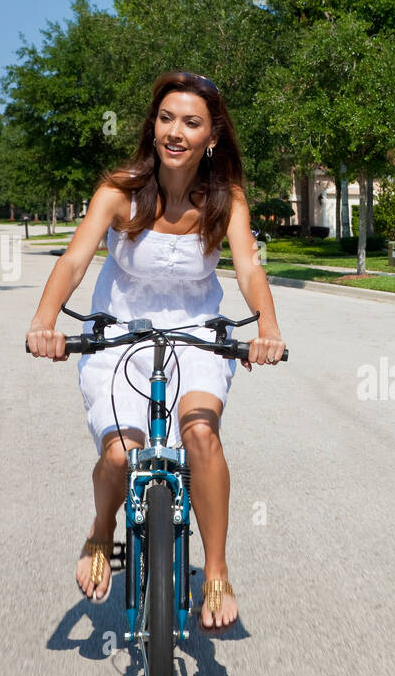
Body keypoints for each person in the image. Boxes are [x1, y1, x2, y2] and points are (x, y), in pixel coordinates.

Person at [26, 71, 285, 634]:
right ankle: (101, 531)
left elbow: (247, 268)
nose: (176, 131)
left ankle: (214, 570)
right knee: (120, 455)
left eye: (191, 122)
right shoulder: (119, 190)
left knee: (200, 435)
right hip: (118, 333)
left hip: (196, 333)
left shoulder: (225, 199)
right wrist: (45, 322)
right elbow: (73, 262)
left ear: (211, 136)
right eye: (167, 118)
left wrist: (267, 327)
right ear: (153, 125)